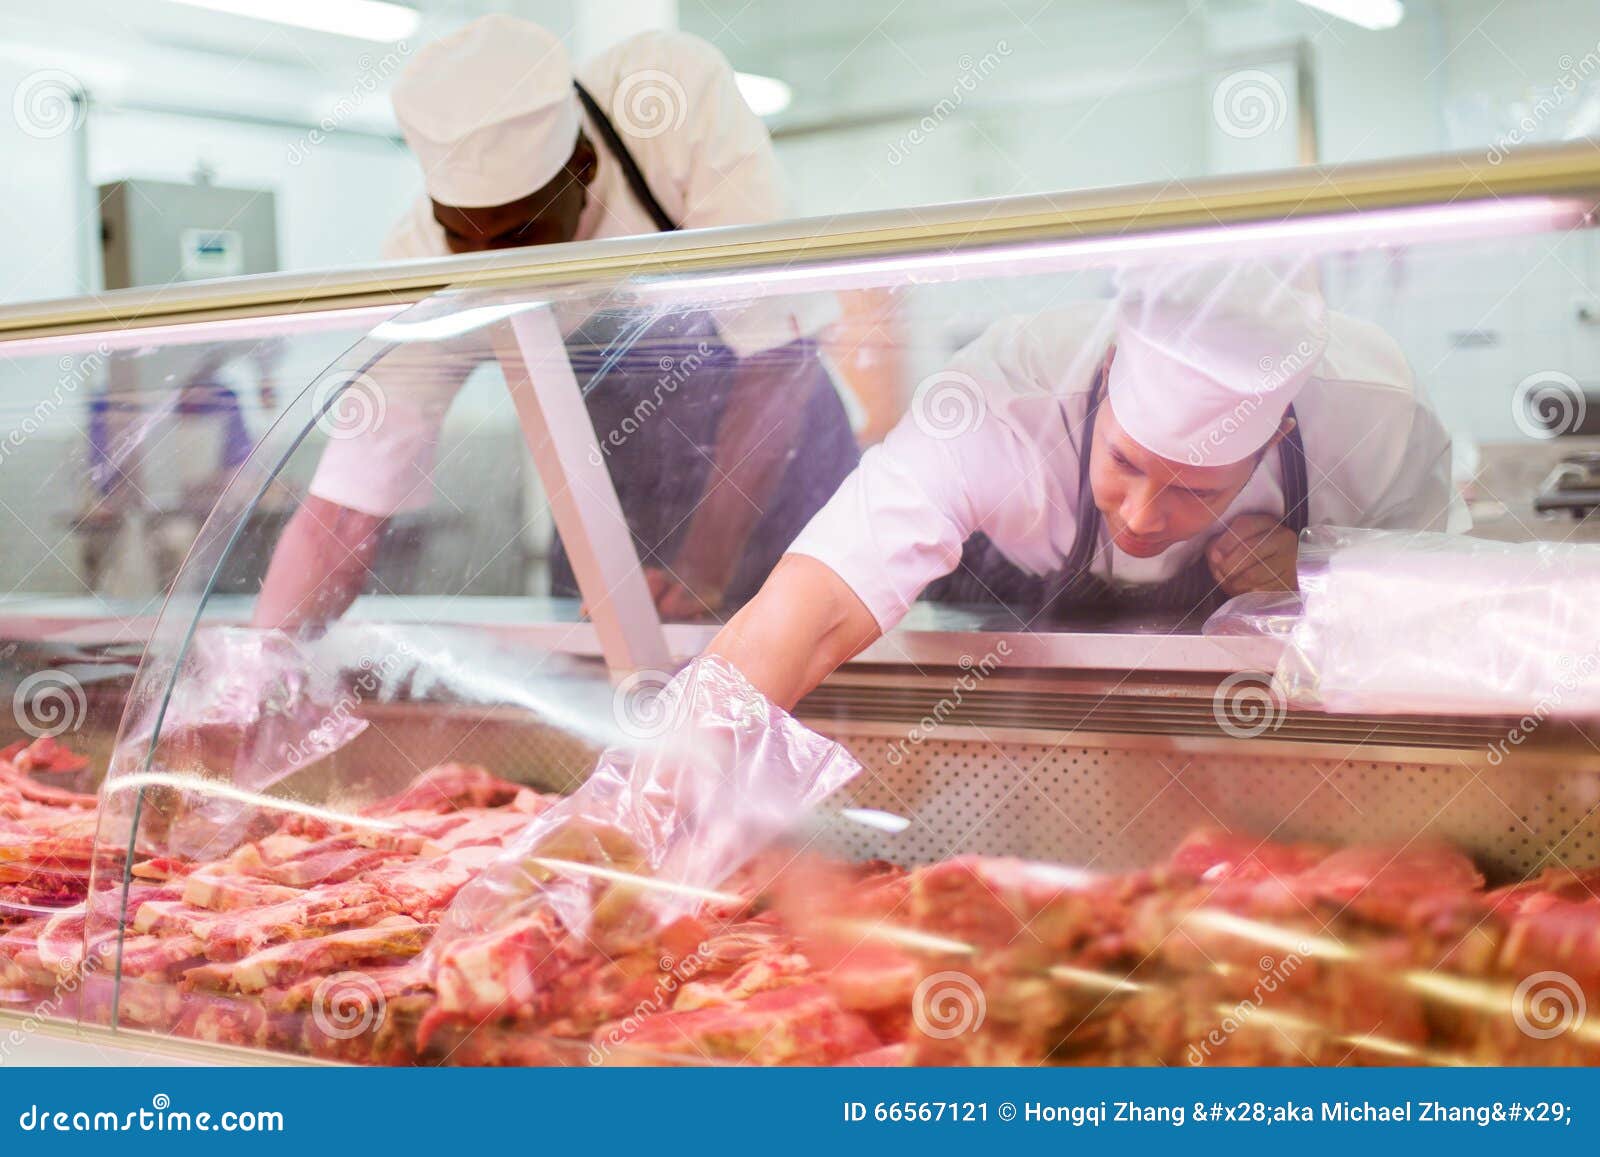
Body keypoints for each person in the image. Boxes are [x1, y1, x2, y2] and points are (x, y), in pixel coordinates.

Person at [254, 15, 856, 630]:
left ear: (585, 168)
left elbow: (778, 364)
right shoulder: (421, 255)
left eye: (520, 231)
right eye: (464, 236)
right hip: (619, 521)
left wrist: (703, 569)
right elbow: (347, 507)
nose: (495, 268)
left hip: (784, 493)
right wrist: (259, 659)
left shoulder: (668, 100)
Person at [705, 261, 1468, 709]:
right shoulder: (998, 399)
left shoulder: (1376, 415)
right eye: (1125, 462)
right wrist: (677, 780)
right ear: (1105, 378)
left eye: (1195, 491)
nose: (1139, 517)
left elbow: (1449, 613)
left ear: (1278, 435)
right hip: (1024, 640)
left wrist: (1321, 571)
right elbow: (820, 598)